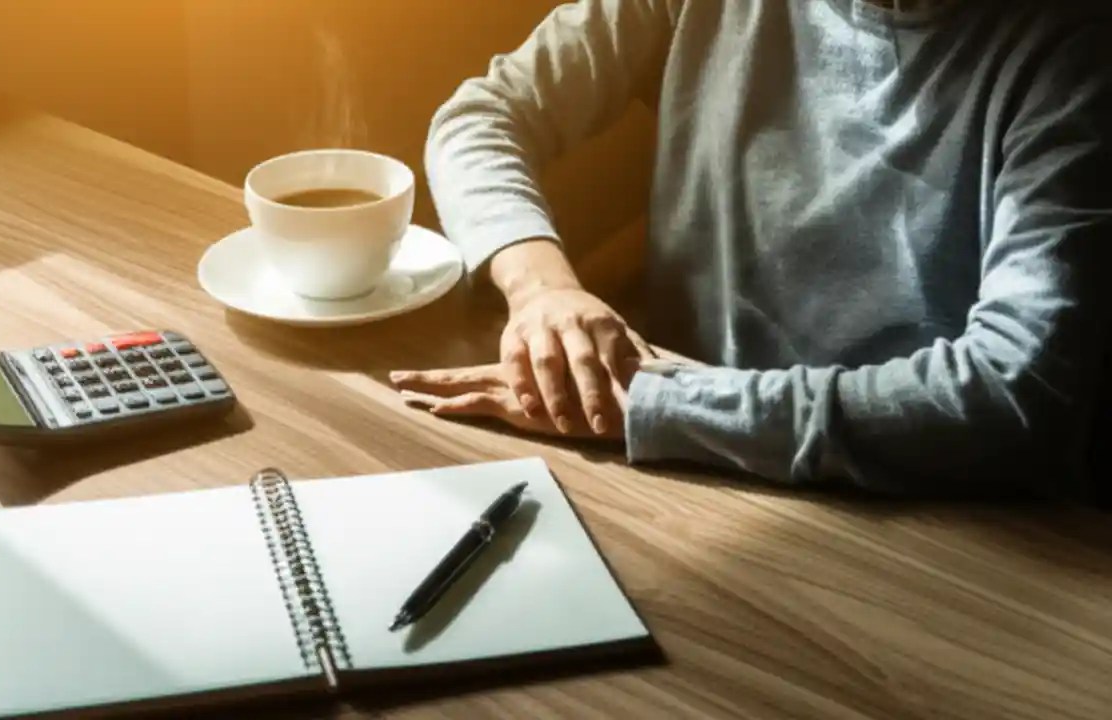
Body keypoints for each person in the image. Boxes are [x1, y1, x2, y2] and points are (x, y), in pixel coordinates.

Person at [390, 0, 1112, 500]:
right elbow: (481, 116)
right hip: (676, 471)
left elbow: (1016, 396)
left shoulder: (1073, 55)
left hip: (932, 519)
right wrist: (540, 288)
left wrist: (665, 403)